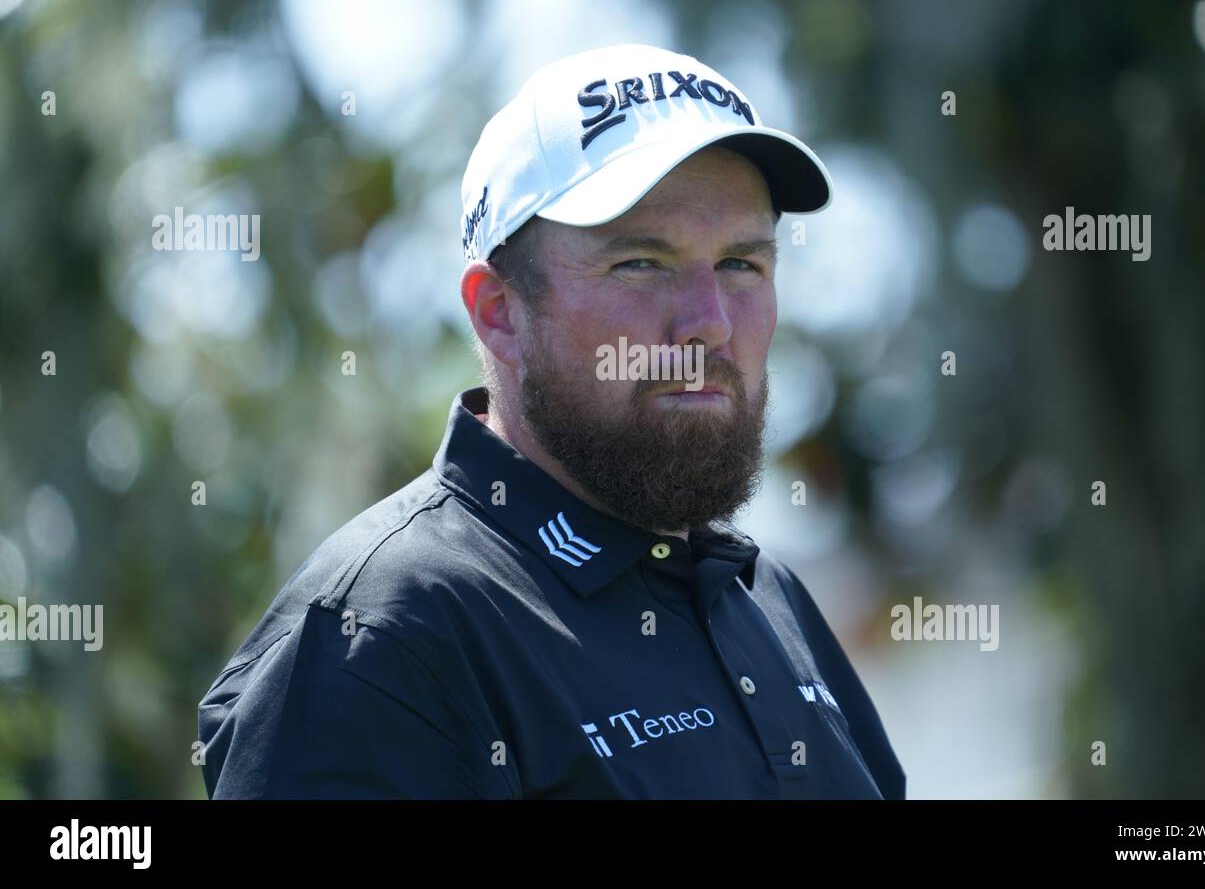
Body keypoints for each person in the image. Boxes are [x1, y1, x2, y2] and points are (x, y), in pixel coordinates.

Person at [196, 43, 905, 799]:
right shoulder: (380, 636)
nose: (710, 325)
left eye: (742, 264)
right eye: (641, 263)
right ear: (500, 314)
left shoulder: (766, 598)